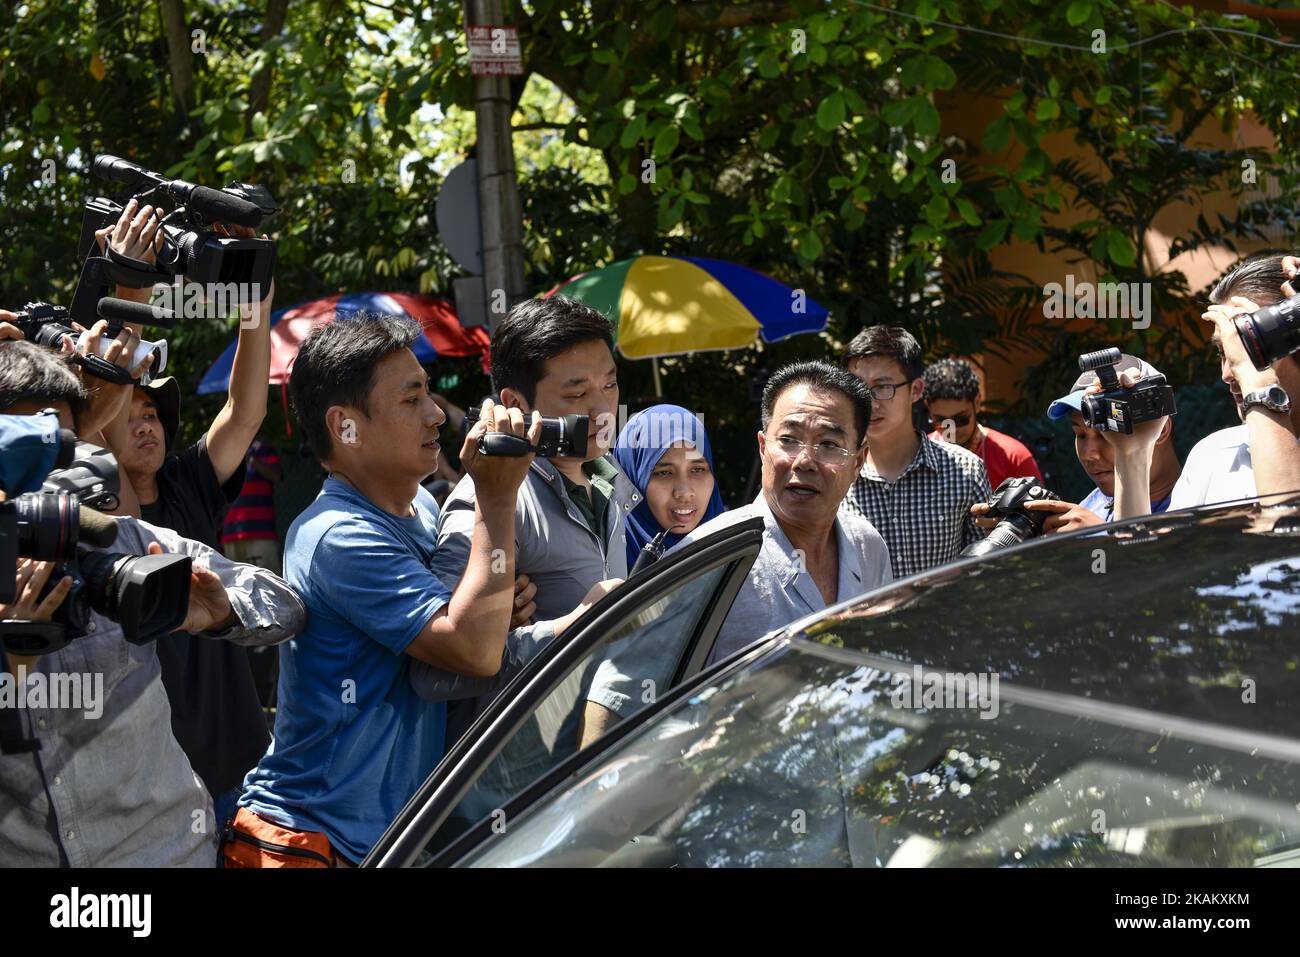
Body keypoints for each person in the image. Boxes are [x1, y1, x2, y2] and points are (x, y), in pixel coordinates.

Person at [231, 315, 614, 867]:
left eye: (429, 393)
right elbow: (471, 650)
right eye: (411, 400)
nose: (436, 414)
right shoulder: (338, 535)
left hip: (393, 842)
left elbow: (470, 634)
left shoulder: (422, 509)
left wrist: (499, 612)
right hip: (314, 842)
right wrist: (496, 496)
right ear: (345, 427)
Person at [0, 339, 304, 867]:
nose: (43, 482)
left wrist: (221, 612)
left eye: (58, 453)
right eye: (21, 455)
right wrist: (12, 658)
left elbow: (285, 606)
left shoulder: (124, 541)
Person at [580, 361, 893, 746]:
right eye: (789, 439)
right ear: (763, 447)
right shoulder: (710, 555)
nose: (805, 461)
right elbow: (614, 698)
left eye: (829, 444)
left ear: (858, 461)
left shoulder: (868, 548)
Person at [95, 198, 279, 828]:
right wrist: (133, 289)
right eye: (130, 414)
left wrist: (255, 289)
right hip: (161, 795)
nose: (146, 424)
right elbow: (97, 398)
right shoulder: (93, 508)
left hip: (247, 771)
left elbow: (246, 410)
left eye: (153, 414)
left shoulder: (190, 484)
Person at [427, 296, 637, 739]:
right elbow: (440, 673)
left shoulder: (612, 480)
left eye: (610, 384)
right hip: (518, 790)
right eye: (578, 393)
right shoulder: (488, 501)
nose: (603, 408)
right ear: (515, 403)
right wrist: (569, 629)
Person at [841, 326, 990, 577]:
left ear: (916, 390)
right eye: (857, 388)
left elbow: (984, 570)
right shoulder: (835, 476)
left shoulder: (965, 471)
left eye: (882, 387)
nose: (869, 402)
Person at [1168, 253, 1300, 510]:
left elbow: (1289, 533)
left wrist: (1260, 385)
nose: (1228, 373)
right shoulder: (1213, 454)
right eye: (1223, 352)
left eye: (1248, 345)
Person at [1015, 354, 1183, 533]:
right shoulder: (1090, 507)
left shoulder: (1200, 497)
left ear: (1161, 430)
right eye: (1080, 435)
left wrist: (1103, 536)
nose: (1089, 453)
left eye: (1106, 434)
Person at [612, 403, 727, 569]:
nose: (685, 493)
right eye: (665, 473)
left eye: (697, 469)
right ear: (632, 480)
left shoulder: (742, 553)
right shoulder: (601, 560)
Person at [923, 357, 1043, 490]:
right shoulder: (917, 457)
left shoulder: (1014, 457)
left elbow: (1038, 509)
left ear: (977, 402)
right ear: (928, 408)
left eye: (960, 419)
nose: (951, 430)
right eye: (941, 420)